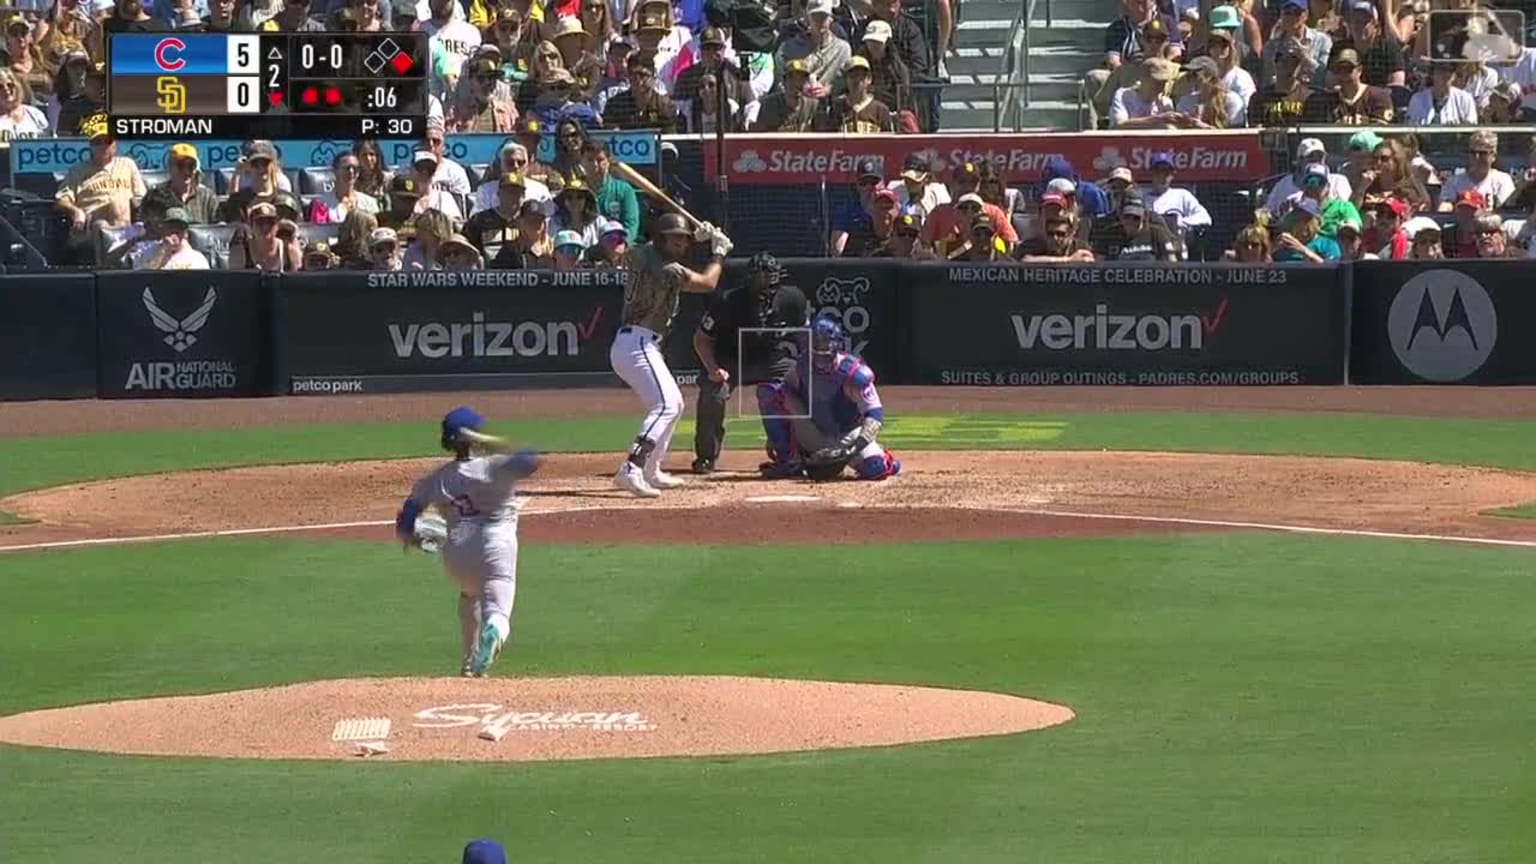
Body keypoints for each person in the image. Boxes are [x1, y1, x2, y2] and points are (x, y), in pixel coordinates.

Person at [394, 407, 541, 677]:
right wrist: (496, 442)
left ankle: (469, 661)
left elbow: (406, 520)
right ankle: (494, 632)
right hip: (496, 544)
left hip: (457, 552)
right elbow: (530, 458)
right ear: (474, 437)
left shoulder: (436, 479)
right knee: (498, 611)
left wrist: (413, 538)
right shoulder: (495, 466)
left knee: (469, 594)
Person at [609, 213, 732, 498]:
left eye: (683, 239)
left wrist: (699, 239)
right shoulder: (668, 269)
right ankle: (631, 468)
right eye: (673, 238)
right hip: (636, 343)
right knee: (664, 405)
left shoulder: (641, 254)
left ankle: (652, 469)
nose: (679, 243)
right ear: (660, 238)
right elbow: (707, 282)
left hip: (640, 344)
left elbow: (632, 250)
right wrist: (718, 253)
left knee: (674, 403)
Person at [690, 252, 807, 474]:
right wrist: (713, 369)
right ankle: (706, 456)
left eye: (768, 276)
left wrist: (805, 366)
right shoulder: (728, 301)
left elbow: (804, 335)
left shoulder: (793, 298)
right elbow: (701, 339)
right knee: (713, 393)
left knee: (803, 382)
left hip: (771, 358)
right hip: (730, 360)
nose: (763, 281)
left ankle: (798, 449)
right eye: (758, 276)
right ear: (748, 278)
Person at [756, 315, 900, 482]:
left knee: (876, 468)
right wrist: (776, 436)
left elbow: (875, 416)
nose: (820, 351)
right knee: (769, 391)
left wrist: (853, 448)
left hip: (848, 436)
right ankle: (789, 462)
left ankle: (884, 458)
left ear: (836, 345)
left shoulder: (854, 374)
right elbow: (780, 396)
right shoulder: (802, 367)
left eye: (824, 344)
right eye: (816, 344)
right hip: (813, 431)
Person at [56, 113, 145, 264]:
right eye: (98, 142)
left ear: (115, 144)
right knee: (105, 219)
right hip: (90, 225)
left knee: (117, 210)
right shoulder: (78, 170)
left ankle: (115, 255)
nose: (103, 146)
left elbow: (140, 198)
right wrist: (77, 211)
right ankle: (119, 255)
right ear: (90, 145)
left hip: (124, 225)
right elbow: (60, 201)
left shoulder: (127, 165)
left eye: (108, 142)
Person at [776, 0, 850, 96]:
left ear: (831, 19)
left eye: (824, 16)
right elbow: (780, 78)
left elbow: (845, 81)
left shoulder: (842, 49)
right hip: (797, 101)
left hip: (829, 103)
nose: (820, 21)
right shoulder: (788, 48)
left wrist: (828, 90)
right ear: (807, 19)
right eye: (815, 16)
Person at [1301, 47, 1393, 124]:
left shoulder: (1378, 96)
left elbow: (1382, 133)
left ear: (1359, 70)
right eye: (1339, 69)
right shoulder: (1328, 101)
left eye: (1348, 69)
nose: (1343, 74)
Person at [1265, 137, 1351, 217]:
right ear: (1299, 160)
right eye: (1310, 157)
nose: (1316, 161)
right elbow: (1268, 212)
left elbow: (1348, 211)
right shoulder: (1283, 184)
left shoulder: (1339, 181)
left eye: (1320, 156)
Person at [139, 143, 218, 225]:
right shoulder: (154, 197)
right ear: (170, 167)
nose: (186, 171)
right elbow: (144, 228)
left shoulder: (208, 197)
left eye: (191, 166)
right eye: (181, 165)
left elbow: (220, 229)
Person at [602, 51, 680, 130]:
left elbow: (669, 139)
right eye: (634, 75)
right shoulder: (615, 105)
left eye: (643, 75)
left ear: (653, 77)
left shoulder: (665, 106)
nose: (639, 81)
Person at [1438, 130, 1515, 211]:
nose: (1476, 157)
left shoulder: (1503, 180)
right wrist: (1446, 206)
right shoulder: (1454, 182)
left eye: (1482, 153)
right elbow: (1445, 207)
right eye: (1473, 152)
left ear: (1493, 156)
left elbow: (1507, 209)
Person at [1262, 0, 1330, 87]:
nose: (1291, 17)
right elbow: (1267, 81)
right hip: (1283, 96)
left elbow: (1326, 77)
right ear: (1281, 15)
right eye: (1287, 13)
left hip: (1314, 96)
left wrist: (1305, 58)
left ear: (1306, 15)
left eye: (1297, 12)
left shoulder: (1322, 41)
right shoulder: (1271, 47)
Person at [580, 140, 639, 240]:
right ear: (582, 162)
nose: (595, 165)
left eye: (600, 160)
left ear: (608, 161)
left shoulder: (624, 190)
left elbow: (630, 226)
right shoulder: (575, 191)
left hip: (617, 246)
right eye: (590, 160)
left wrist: (619, 245)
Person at [307, 150, 382, 223]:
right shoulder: (322, 204)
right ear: (335, 171)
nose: (351, 171)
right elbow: (318, 232)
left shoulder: (370, 203)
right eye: (347, 168)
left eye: (355, 168)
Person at [749, 58, 822, 132]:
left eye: (801, 79)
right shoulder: (767, 106)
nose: (796, 83)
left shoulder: (813, 106)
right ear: (784, 82)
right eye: (792, 79)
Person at [465, 172, 526, 260]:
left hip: (522, 272)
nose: (512, 197)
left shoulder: (529, 220)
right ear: (498, 194)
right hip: (487, 271)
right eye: (508, 192)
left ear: (523, 196)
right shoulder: (479, 220)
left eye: (517, 193)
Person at [228, 201, 302, 271]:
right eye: (260, 223)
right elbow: (233, 282)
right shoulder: (239, 253)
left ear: (277, 225)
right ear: (251, 226)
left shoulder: (290, 253)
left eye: (270, 222)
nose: (265, 227)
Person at [1109, 56, 1177, 127]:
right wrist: (1158, 119)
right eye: (1156, 82)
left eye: (1163, 83)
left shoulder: (1165, 103)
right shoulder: (1123, 95)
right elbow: (1120, 124)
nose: (1161, 87)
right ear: (1142, 78)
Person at [135, 207, 210, 270]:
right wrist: (162, 253)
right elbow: (142, 278)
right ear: (162, 229)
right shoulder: (148, 253)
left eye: (178, 230)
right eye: (170, 228)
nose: (173, 234)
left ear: (185, 234)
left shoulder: (196, 258)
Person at [1271, 198, 1340, 262]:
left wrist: (1303, 250)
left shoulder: (1327, 245)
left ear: (1318, 222)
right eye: (1297, 219)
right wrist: (1273, 249)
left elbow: (1331, 270)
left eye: (1306, 219)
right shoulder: (1283, 244)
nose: (1301, 224)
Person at [1407, 64, 1477, 125]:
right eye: (1440, 72)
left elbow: (1472, 126)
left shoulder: (1465, 98)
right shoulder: (1417, 99)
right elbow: (1411, 128)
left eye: (1449, 72)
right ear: (1432, 75)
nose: (1445, 75)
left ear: (1454, 76)